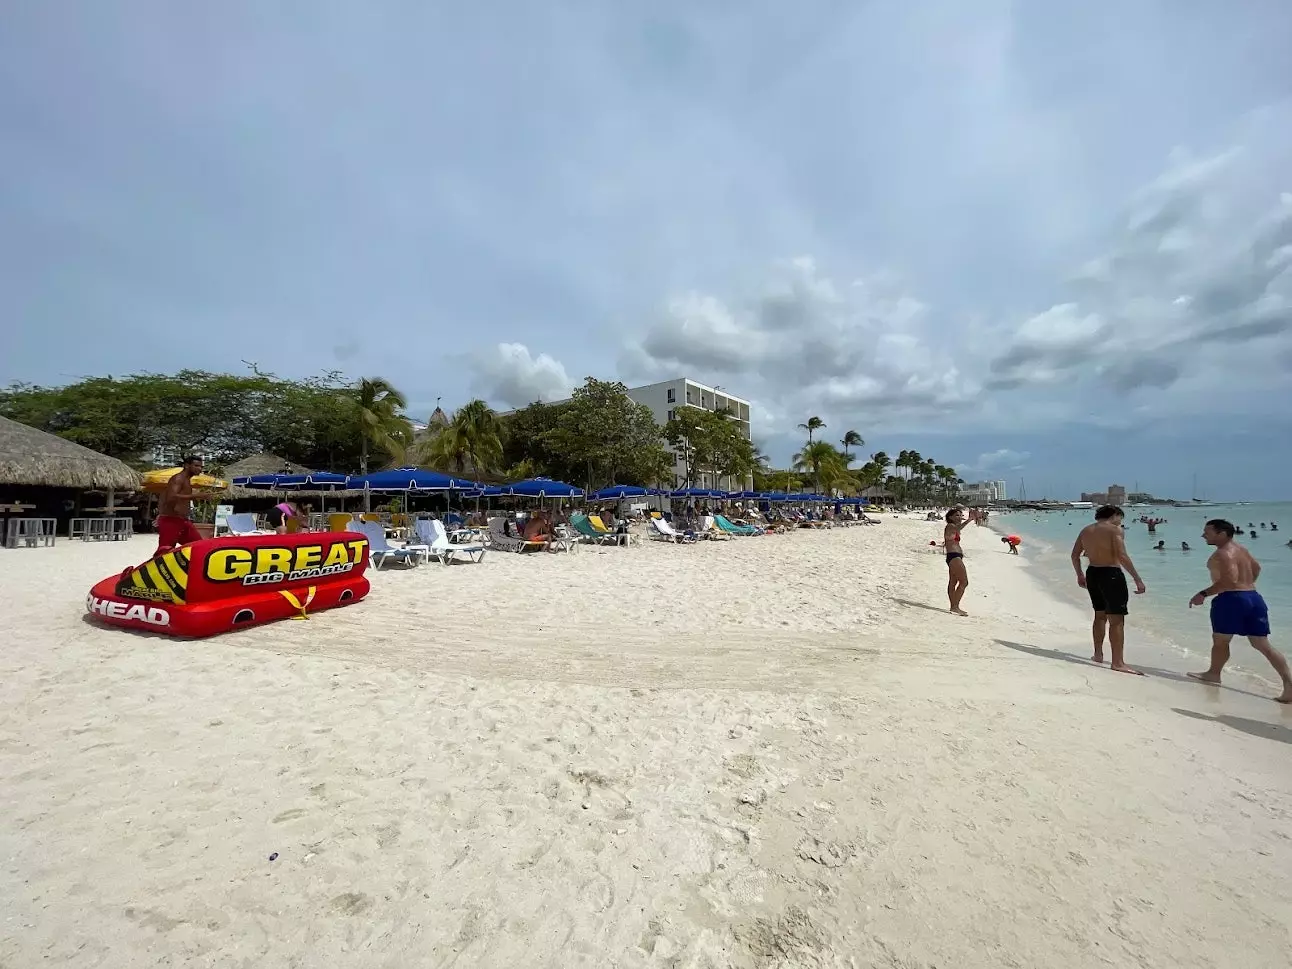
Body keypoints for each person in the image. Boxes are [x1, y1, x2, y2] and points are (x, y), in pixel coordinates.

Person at [1187, 519, 1292, 703]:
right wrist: (1247, 585)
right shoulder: (1242, 549)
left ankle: (1213, 674)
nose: (1203, 535)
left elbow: (1229, 581)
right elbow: (1257, 568)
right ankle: (1289, 684)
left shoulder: (1222, 553)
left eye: (1208, 532)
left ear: (1222, 534)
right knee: (1262, 644)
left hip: (1231, 600)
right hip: (1253, 597)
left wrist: (1203, 593)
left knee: (1220, 640)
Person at [1071, 505, 1146, 674]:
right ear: (1115, 515)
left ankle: (1098, 654)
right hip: (1110, 574)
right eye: (1120, 518)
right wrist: (1137, 579)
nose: (1121, 522)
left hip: (1092, 573)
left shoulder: (1086, 530)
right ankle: (1117, 662)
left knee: (1099, 615)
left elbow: (1075, 555)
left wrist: (1079, 575)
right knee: (1116, 619)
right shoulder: (1114, 530)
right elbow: (1122, 555)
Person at [155, 455, 205, 553]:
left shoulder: (186, 480)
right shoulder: (178, 478)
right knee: (164, 551)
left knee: (199, 546)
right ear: (187, 466)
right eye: (196, 466)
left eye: (201, 467)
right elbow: (171, 497)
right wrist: (195, 496)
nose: (199, 469)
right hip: (171, 520)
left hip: (183, 521)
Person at [943, 508, 971, 616]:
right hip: (954, 556)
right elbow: (958, 528)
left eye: (960, 515)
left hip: (954, 556)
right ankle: (955, 606)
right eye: (956, 515)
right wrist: (969, 520)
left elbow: (957, 531)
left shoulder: (953, 528)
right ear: (950, 517)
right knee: (964, 582)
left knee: (953, 581)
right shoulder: (950, 526)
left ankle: (953, 606)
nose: (959, 517)